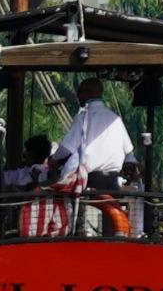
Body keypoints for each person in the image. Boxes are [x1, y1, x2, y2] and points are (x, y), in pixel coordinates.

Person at [57, 79, 137, 238]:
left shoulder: (83, 118)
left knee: (88, 228)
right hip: (112, 183)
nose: (78, 96)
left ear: (88, 93)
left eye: (80, 92)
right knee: (112, 230)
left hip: (91, 183)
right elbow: (130, 154)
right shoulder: (116, 119)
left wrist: (52, 161)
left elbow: (66, 148)